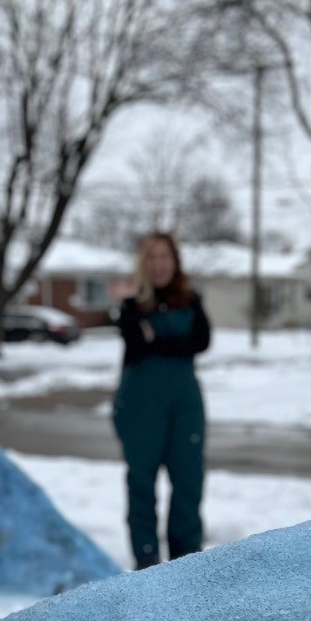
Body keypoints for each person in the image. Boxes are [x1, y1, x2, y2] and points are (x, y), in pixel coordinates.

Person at [113, 232, 211, 568]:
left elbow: (201, 341)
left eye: (164, 256)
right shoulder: (131, 306)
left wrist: (158, 338)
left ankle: (187, 568)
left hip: (184, 408)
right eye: (151, 257)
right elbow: (136, 346)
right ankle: (147, 565)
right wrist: (171, 341)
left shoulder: (191, 301)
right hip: (141, 408)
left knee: (188, 486)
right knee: (141, 487)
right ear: (143, 264)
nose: (158, 264)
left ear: (175, 261)